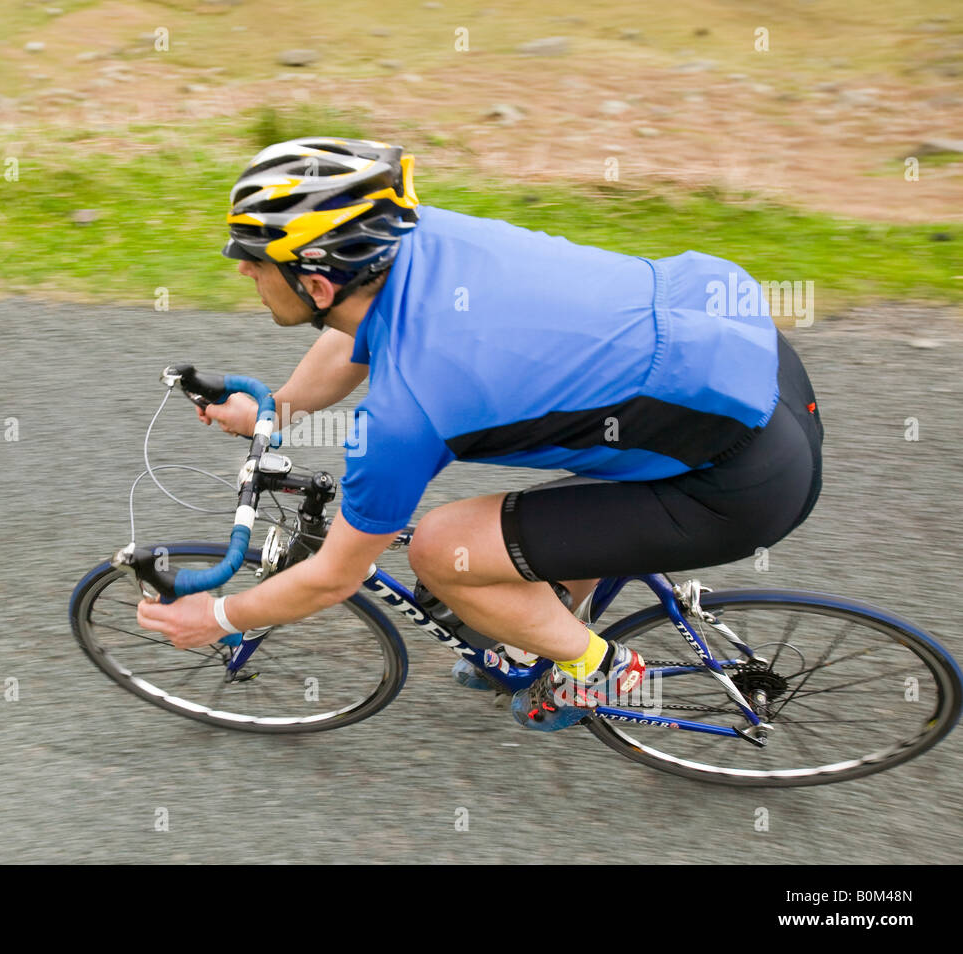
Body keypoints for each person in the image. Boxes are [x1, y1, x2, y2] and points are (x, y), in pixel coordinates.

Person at [137, 137, 824, 731]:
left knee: (444, 549)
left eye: (254, 259)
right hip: (745, 369)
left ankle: (601, 670)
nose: (243, 271)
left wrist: (219, 617)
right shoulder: (420, 238)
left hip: (734, 484)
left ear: (316, 284)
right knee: (530, 526)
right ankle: (534, 641)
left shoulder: (405, 417)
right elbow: (361, 332)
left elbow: (331, 578)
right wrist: (275, 412)